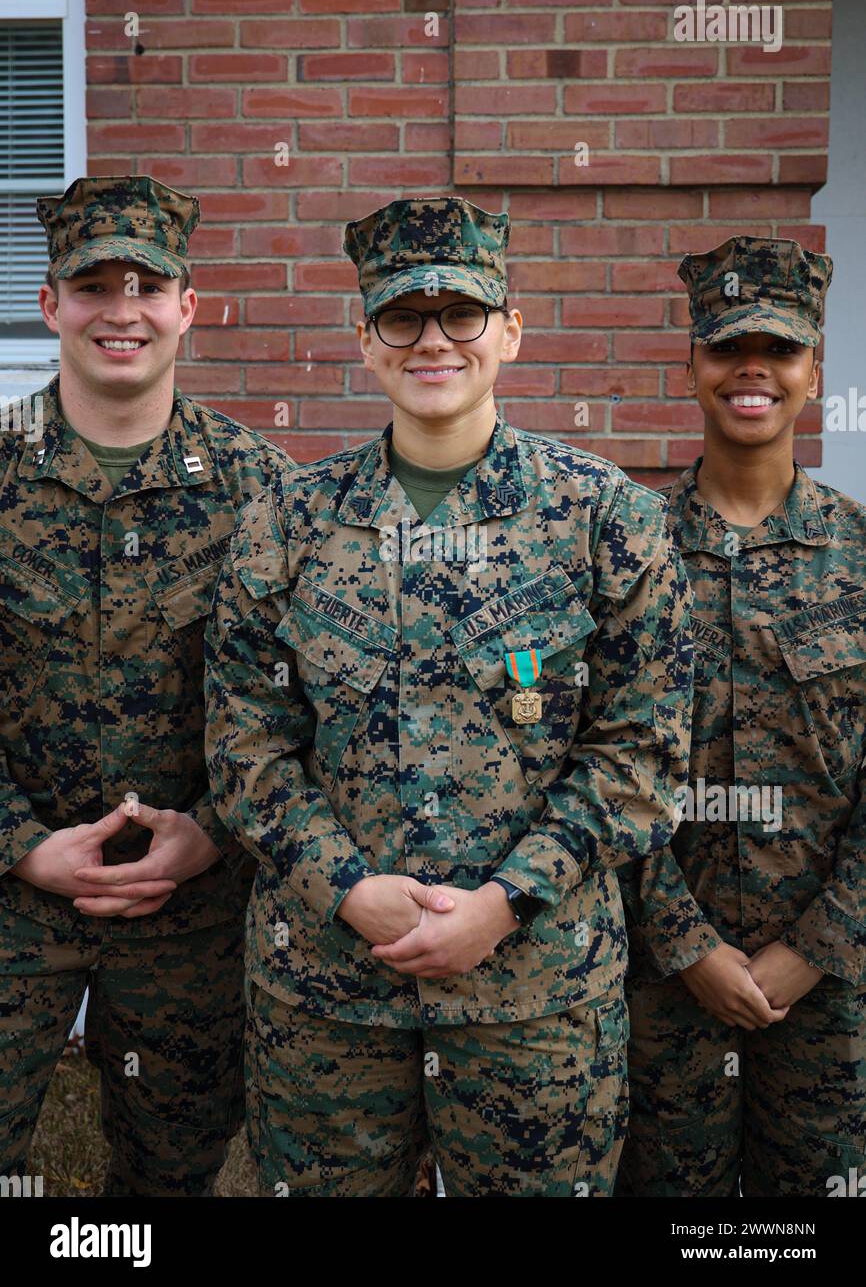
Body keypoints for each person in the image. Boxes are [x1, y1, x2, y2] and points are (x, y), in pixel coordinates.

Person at [205, 194, 693, 1197]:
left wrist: (503, 905)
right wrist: (348, 890)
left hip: (534, 1001)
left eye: (461, 313)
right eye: (402, 317)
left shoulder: (610, 525)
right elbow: (244, 752)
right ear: (367, 340)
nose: (433, 339)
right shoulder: (284, 527)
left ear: (508, 331)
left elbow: (640, 759)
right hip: (328, 1002)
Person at [0, 176, 292, 1195]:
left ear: (186, 306)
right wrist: (24, 845)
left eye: (146, 283)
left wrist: (212, 827)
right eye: (92, 285)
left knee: (173, 1171)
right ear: (50, 305)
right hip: (10, 890)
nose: (120, 310)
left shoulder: (264, 491)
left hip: (189, 900)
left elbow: (293, 703)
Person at [616, 235, 866, 1197]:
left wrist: (814, 949)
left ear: (815, 372)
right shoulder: (628, 550)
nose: (750, 369)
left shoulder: (856, 553)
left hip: (833, 990)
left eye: (779, 349)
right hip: (661, 984)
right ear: (691, 368)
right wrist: (688, 946)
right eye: (725, 349)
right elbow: (595, 767)